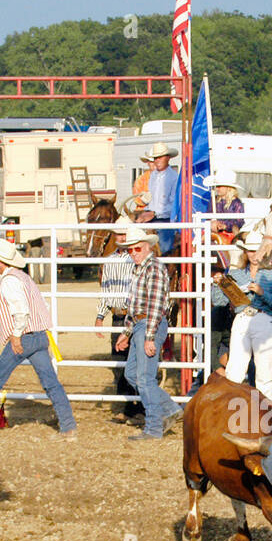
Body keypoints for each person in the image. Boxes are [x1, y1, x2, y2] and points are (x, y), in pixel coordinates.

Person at [0, 239, 78, 440]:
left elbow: (21, 312)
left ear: (0, 261)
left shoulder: (9, 282)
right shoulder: (23, 277)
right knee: (51, 382)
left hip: (23, 337)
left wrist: (16, 336)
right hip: (39, 335)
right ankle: (68, 427)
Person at [115, 226, 182, 440]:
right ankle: (170, 408)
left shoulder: (153, 268)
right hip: (141, 324)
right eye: (130, 250)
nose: (133, 253)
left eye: (137, 249)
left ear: (147, 247)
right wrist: (127, 332)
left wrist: (150, 337)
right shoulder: (140, 269)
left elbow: (154, 306)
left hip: (149, 324)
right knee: (133, 374)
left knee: (143, 378)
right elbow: (135, 305)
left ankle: (153, 427)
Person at [213, 228, 272, 400]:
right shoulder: (235, 274)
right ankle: (232, 416)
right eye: (251, 250)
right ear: (246, 252)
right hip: (242, 319)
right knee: (234, 372)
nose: (255, 255)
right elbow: (219, 301)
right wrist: (218, 284)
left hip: (264, 320)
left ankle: (265, 419)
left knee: (264, 375)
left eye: (258, 250)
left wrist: (263, 293)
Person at [93, 224, 142, 420]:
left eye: (124, 234)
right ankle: (127, 406)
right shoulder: (110, 260)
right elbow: (106, 289)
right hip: (118, 315)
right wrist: (100, 315)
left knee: (138, 360)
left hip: (134, 315)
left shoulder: (136, 259)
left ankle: (142, 405)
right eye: (118, 234)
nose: (121, 237)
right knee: (119, 361)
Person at [134, 142, 180, 255]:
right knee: (134, 240)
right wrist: (147, 211)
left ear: (168, 158)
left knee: (164, 249)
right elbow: (154, 201)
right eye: (155, 158)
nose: (157, 160)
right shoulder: (153, 176)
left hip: (166, 220)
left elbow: (174, 204)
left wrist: (154, 213)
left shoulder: (174, 177)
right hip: (152, 218)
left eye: (160, 157)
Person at [208, 170, 245, 239]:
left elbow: (239, 222)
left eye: (220, 186)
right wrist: (214, 223)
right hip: (213, 232)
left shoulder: (237, 203)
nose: (217, 188)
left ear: (229, 187)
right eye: (216, 186)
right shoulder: (213, 200)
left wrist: (225, 225)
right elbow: (208, 216)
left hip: (229, 234)